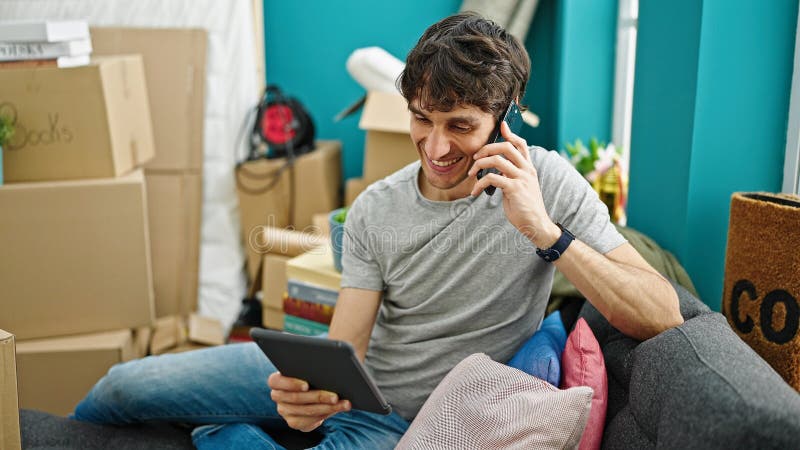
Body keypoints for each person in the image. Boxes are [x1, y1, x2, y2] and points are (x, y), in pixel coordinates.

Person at [73, 11, 683, 449]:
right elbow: (347, 351)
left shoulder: (545, 181)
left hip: (402, 426)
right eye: (422, 119)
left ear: (504, 119)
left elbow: (664, 315)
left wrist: (544, 230)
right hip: (363, 394)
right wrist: (312, 401)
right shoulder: (374, 209)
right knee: (124, 385)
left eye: (460, 125)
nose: (436, 146)